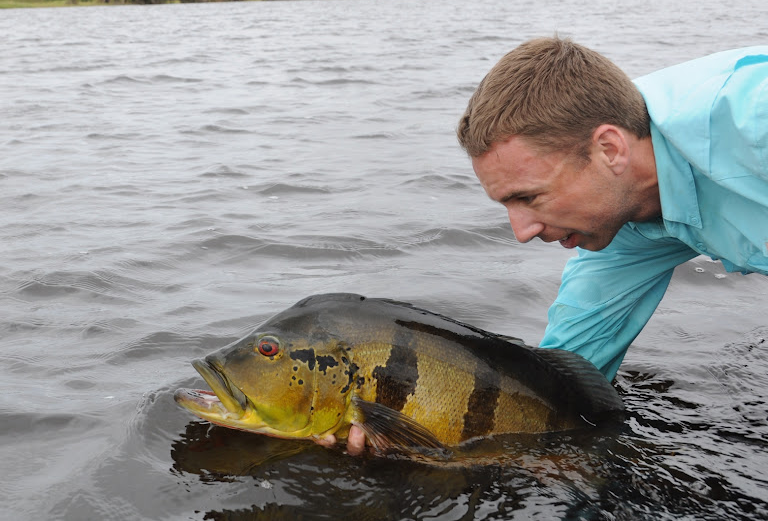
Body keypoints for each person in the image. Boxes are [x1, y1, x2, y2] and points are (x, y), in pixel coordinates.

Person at [323, 37, 768, 455]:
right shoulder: (620, 220)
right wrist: (411, 429)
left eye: (529, 197)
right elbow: (564, 380)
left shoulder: (753, 122)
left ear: (609, 149)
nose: (521, 231)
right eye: (506, 204)